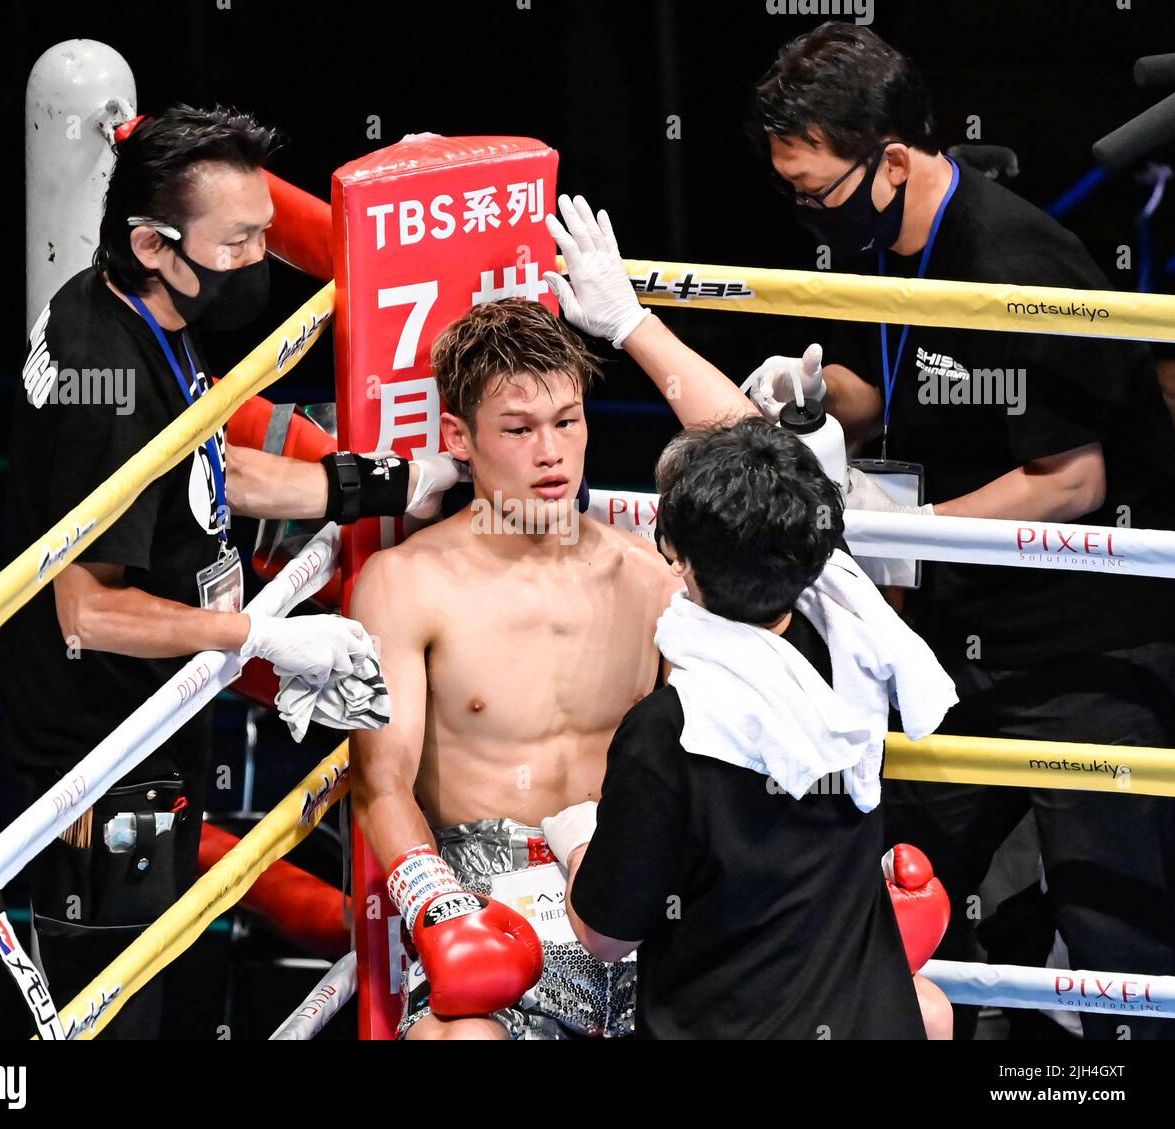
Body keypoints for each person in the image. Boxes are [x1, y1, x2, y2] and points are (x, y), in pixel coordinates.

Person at [747, 22, 1175, 1038]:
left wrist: (910, 530)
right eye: (790, 190)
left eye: (816, 191)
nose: (806, 211)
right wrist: (816, 388)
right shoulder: (893, 240)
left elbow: (1068, 483)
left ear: (890, 160)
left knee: (1121, 957)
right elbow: (905, 397)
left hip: (1091, 654)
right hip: (960, 651)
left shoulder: (1019, 259)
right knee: (892, 897)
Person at [0, 105, 456, 1038]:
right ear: (155, 244)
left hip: (148, 727)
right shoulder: (107, 384)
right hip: (99, 760)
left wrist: (378, 483)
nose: (260, 259)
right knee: (112, 1009)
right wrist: (262, 633)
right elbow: (87, 610)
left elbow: (210, 463)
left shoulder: (130, 306)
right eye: (240, 239)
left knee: (163, 982)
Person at [544, 419, 954, 1039]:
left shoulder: (671, 731)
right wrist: (811, 425)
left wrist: (580, 843)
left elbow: (605, 938)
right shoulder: (859, 646)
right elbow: (804, 512)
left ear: (675, 554)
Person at [350, 298, 683, 1040]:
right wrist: (440, 907)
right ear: (458, 439)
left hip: (630, 890)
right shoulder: (405, 583)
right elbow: (380, 783)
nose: (551, 452)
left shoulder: (648, 576)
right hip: (486, 899)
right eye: (519, 429)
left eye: (567, 421)